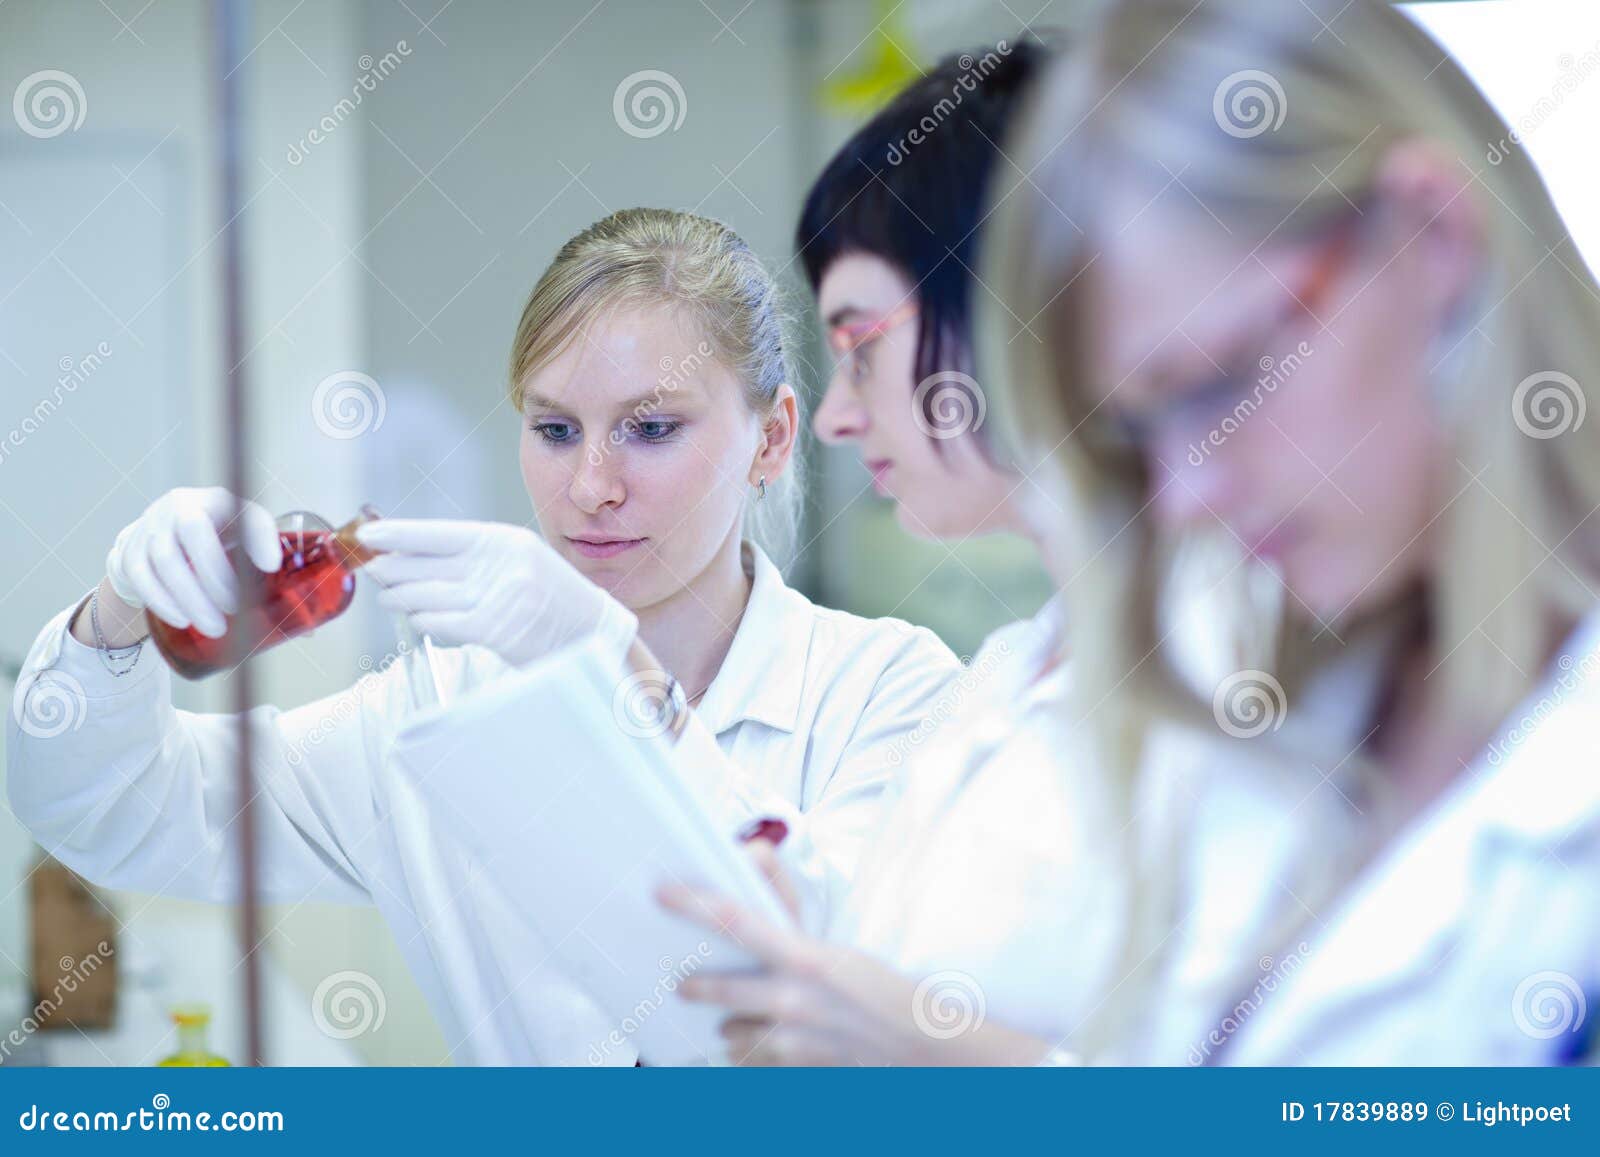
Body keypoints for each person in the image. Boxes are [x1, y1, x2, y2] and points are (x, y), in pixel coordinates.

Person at [664, 0, 1600, 1066]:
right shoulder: (1311, 702)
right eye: (1139, 420)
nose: (1187, 491)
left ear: (1430, 238)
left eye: (1218, 378)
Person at [5, 208, 959, 1065]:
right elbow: (114, 812)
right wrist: (115, 618)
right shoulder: (432, 708)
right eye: (553, 429)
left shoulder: (890, 692)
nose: (591, 486)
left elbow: (842, 990)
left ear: (773, 435)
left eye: (652, 427)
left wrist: (617, 678)